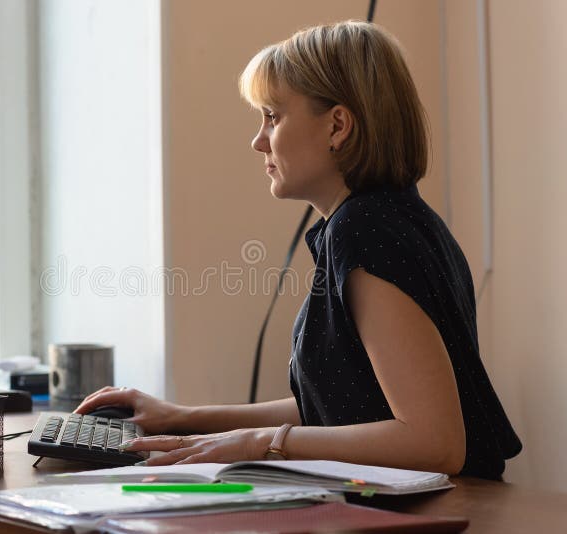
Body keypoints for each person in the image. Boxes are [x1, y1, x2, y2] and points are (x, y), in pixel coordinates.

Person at [75, 20, 521, 479]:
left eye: (272, 116)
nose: (258, 140)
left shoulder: (366, 231)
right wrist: (181, 419)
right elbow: (340, 409)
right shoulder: (393, 220)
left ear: (338, 125)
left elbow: (433, 443)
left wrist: (261, 444)